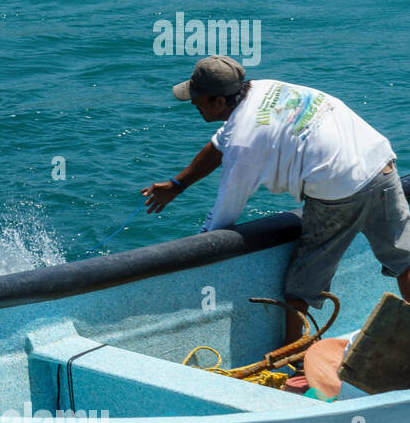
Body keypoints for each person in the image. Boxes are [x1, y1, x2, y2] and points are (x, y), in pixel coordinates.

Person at [141, 55, 410, 346]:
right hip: (380, 164)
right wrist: (178, 184)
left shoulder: (246, 139)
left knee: (300, 288)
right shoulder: (263, 89)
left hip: (338, 190)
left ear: (219, 101)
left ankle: (289, 361)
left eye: (198, 98)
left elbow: (225, 211)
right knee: (405, 260)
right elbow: (220, 143)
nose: (194, 103)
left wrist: (202, 248)